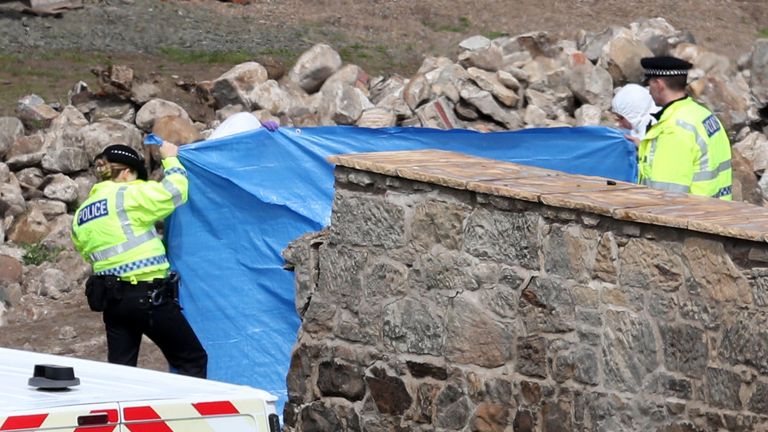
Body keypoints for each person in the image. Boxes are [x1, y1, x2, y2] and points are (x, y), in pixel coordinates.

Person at [71, 142, 208, 378]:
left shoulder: (82, 213)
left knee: (122, 376)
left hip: (112, 301)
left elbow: (87, 252)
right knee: (192, 360)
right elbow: (174, 192)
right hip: (147, 297)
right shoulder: (128, 194)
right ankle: (188, 414)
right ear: (126, 172)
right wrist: (171, 159)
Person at [637, 55, 732, 200]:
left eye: (649, 84)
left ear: (658, 84)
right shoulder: (702, 114)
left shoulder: (673, 129)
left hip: (692, 217)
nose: (649, 91)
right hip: (715, 213)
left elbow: (667, 198)